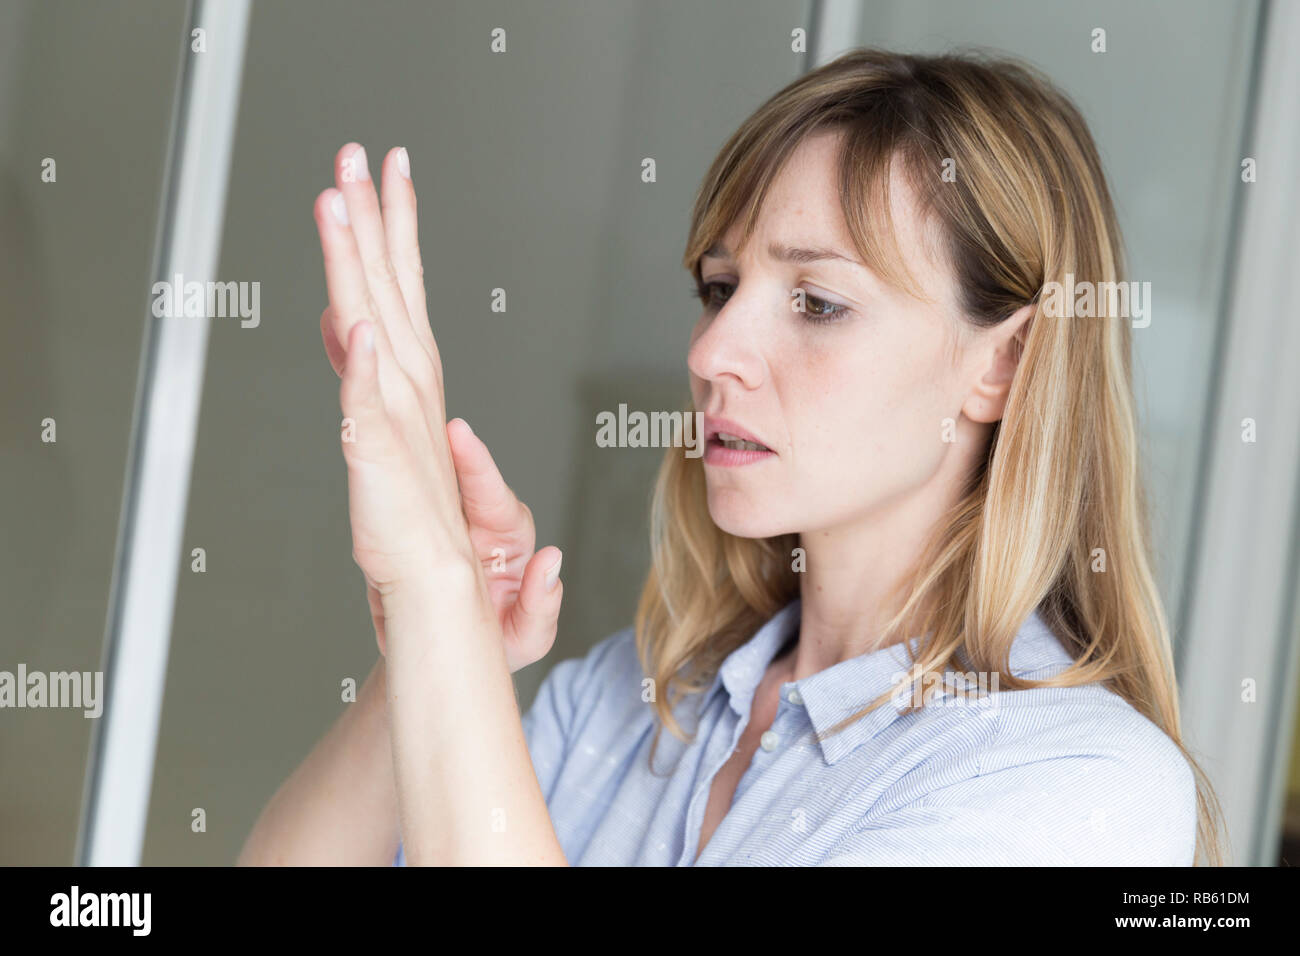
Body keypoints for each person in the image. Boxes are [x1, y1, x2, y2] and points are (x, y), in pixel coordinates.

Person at [238, 48, 1225, 867]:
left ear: (1002, 365)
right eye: (719, 288)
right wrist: (436, 640)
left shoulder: (1085, 788)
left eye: (816, 302)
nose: (709, 356)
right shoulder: (623, 697)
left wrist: (435, 587)